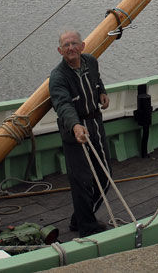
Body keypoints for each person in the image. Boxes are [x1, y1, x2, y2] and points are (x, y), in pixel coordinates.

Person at [49, 30, 111, 237]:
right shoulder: (58, 77)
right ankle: (86, 227)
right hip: (74, 130)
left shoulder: (91, 62)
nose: (71, 48)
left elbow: (97, 80)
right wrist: (75, 125)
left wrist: (102, 92)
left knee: (104, 176)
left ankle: (80, 218)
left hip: (95, 123)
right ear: (60, 51)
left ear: (82, 46)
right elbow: (63, 104)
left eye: (74, 44)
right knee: (82, 181)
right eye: (66, 45)